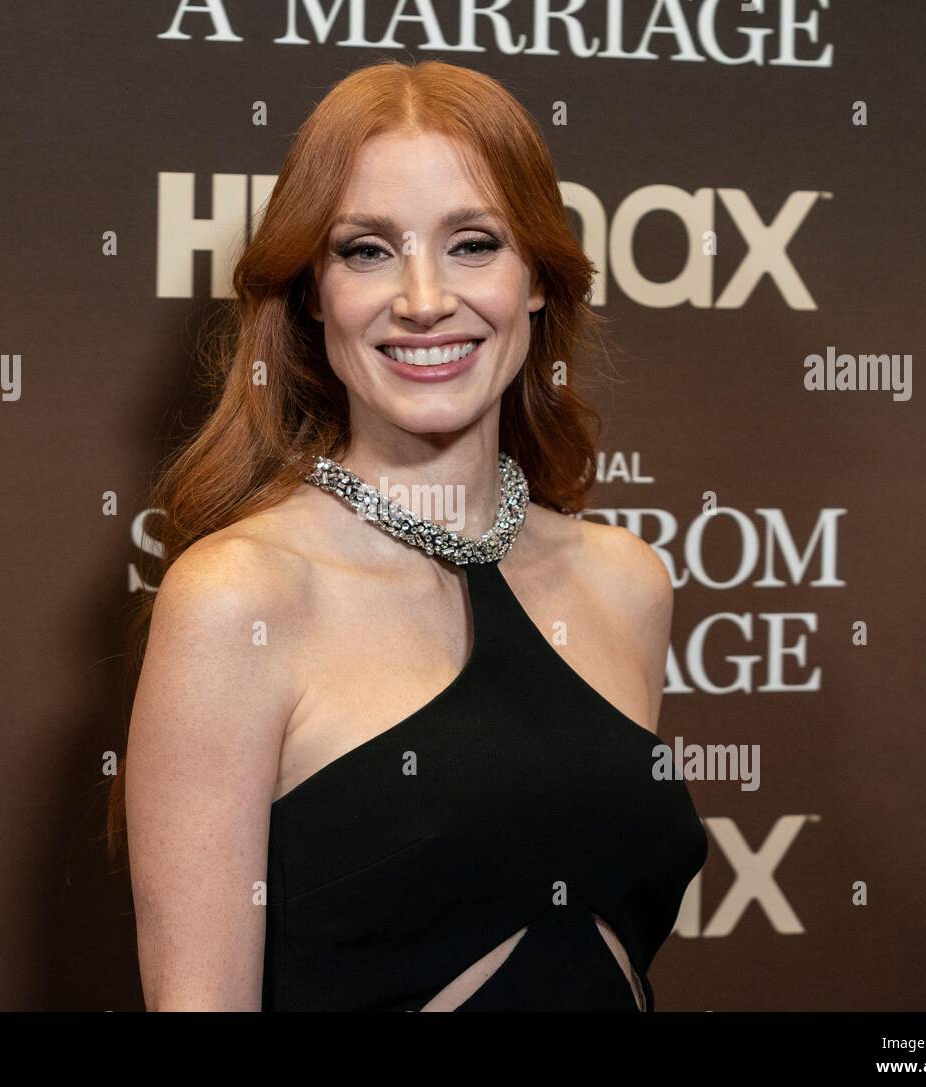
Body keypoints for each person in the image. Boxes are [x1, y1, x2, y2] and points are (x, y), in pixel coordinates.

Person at [110, 58, 707, 1012]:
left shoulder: (624, 583)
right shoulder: (240, 598)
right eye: (367, 250)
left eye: (473, 243)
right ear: (311, 292)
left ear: (539, 279)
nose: (424, 299)